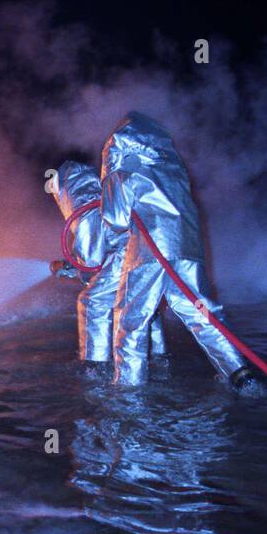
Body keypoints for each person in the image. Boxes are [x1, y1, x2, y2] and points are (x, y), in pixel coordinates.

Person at [99, 113, 254, 389]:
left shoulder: (125, 169)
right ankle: (240, 375)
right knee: (204, 315)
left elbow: (116, 220)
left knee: (131, 322)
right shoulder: (174, 168)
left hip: (149, 253)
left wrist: (108, 178)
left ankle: (128, 393)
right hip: (188, 250)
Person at [51, 159, 164, 364]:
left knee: (92, 300)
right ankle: (159, 354)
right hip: (151, 247)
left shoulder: (82, 206)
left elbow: (90, 260)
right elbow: (103, 246)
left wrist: (73, 269)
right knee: (145, 303)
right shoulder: (99, 195)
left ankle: (96, 366)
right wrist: (70, 266)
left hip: (130, 253)